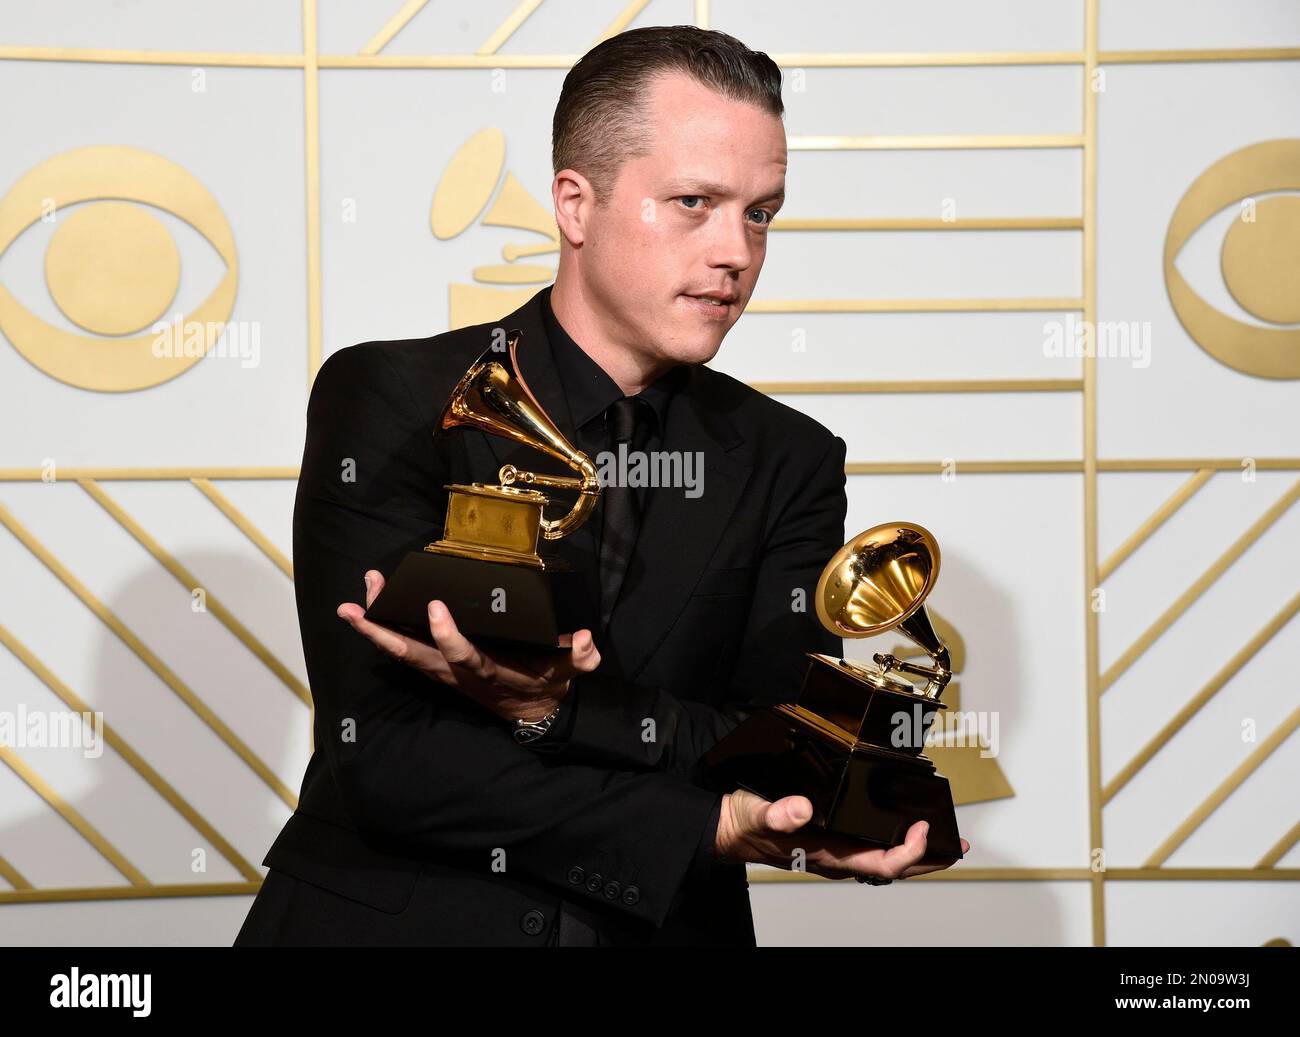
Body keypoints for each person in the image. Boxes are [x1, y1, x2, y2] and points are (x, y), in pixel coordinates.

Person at [235, 23, 967, 948]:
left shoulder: (791, 456)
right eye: (694, 202)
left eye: (761, 212)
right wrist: (701, 820)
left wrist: (555, 710)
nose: (736, 252)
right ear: (575, 206)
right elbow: (385, 756)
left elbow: (773, 738)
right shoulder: (389, 396)